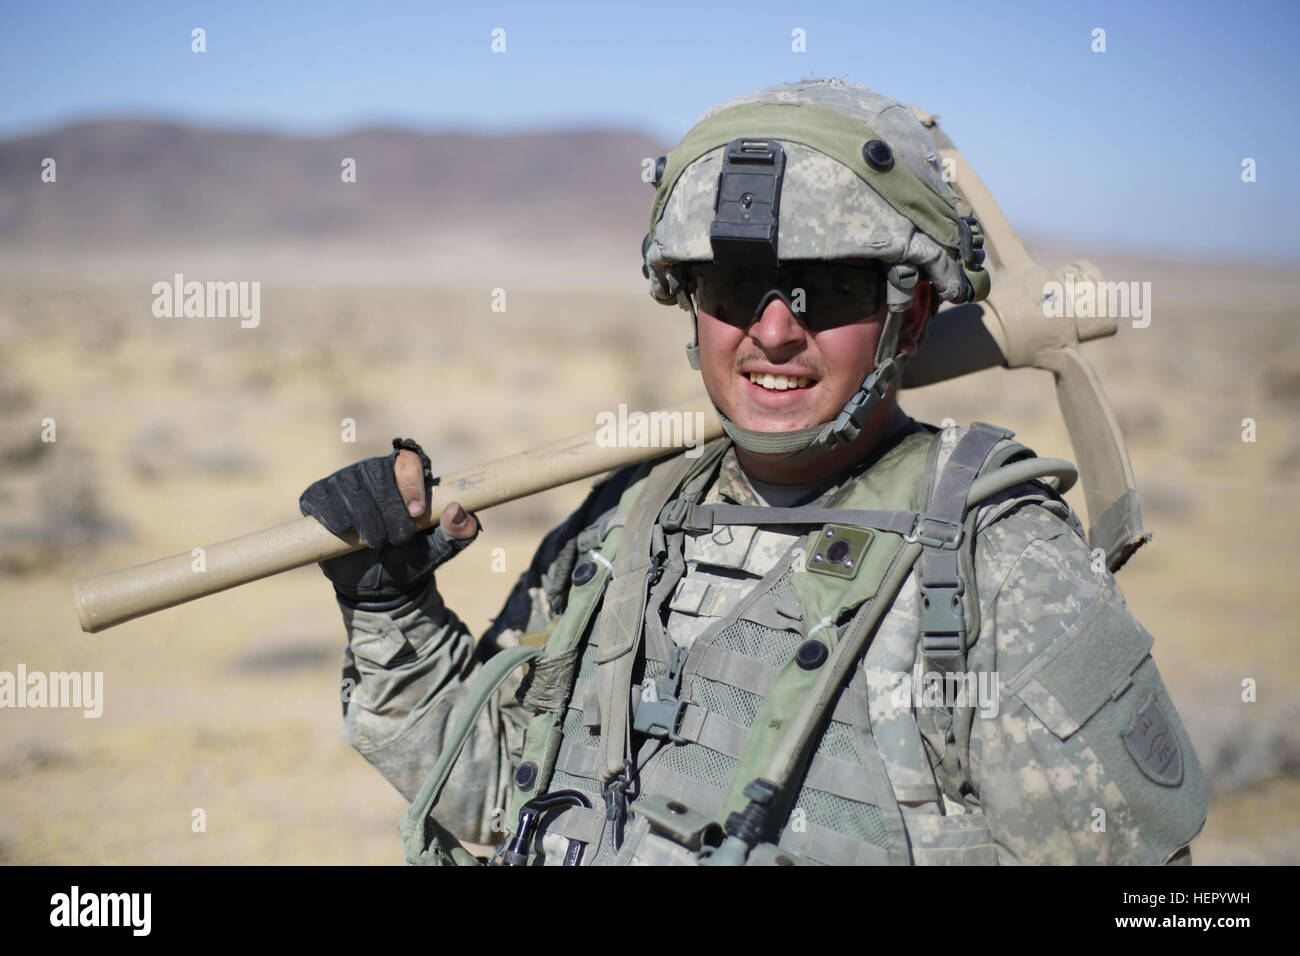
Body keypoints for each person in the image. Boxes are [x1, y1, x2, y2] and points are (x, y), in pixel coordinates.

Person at [300, 79, 1208, 866]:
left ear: (915, 312)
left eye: (831, 287)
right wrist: (390, 611)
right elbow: (496, 790)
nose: (775, 331)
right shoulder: (632, 517)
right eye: (736, 286)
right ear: (689, 304)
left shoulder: (999, 570)